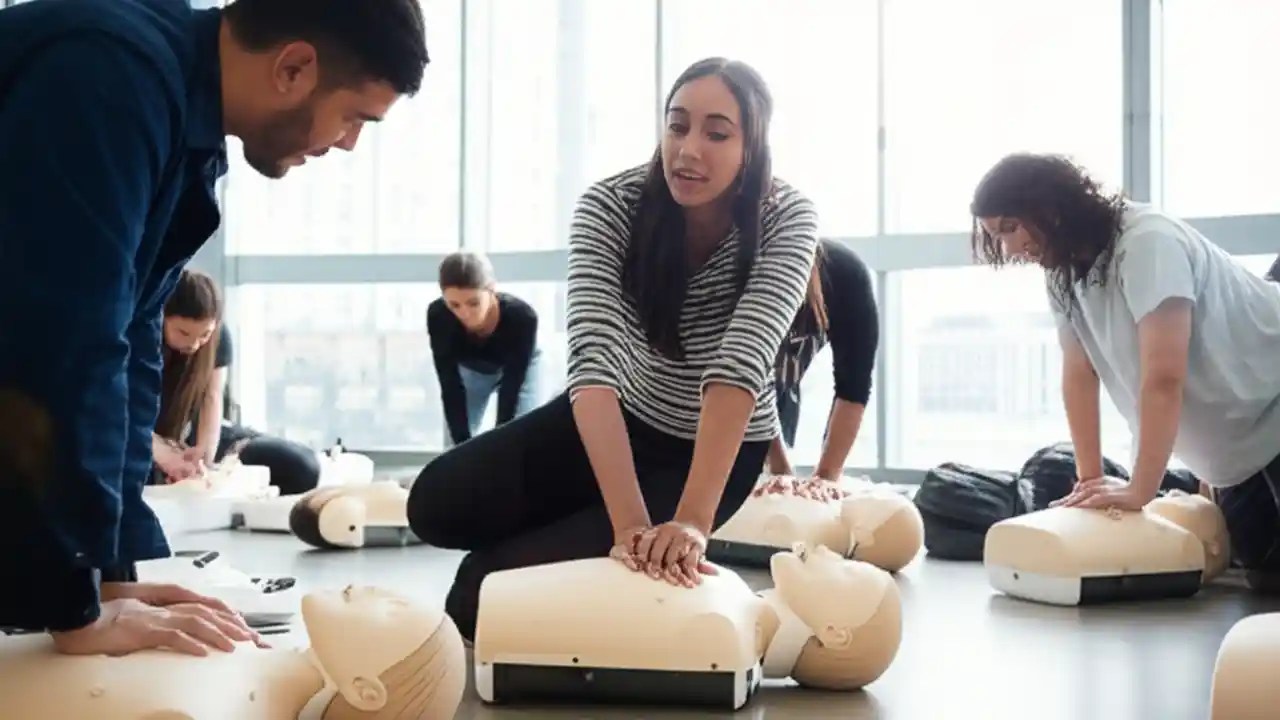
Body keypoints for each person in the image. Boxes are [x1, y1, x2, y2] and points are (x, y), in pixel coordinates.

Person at [0, 0, 429, 656]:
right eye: (354, 118)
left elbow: (130, 334)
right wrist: (72, 607)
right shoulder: (110, 75)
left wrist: (113, 571)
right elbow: (62, 338)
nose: (347, 144)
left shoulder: (176, 110)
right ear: (294, 67)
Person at [407, 57, 820, 641]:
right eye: (677, 126)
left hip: (707, 457)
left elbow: (741, 363)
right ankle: (578, 531)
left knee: (477, 596)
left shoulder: (790, 217)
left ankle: (559, 542)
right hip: (618, 421)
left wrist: (693, 524)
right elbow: (595, 366)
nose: (688, 149)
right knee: (433, 503)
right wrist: (628, 528)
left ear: (751, 147)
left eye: (717, 133)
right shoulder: (610, 206)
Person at [970, 152, 1280, 594]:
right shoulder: (1062, 273)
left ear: (1050, 207)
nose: (1009, 248)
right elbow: (1079, 374)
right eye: (995, 236)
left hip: (1272, 397)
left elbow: (1164, 375)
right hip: (1239, 443)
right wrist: (1089, 480)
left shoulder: (1146, 242)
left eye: (1009, 228)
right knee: (1265, 573)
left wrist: (1140, 489)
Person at [156, 268, 321, 495]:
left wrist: (205, 457)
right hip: (148, 440)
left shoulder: (218, 338)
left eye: (204, 335)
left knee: (302, 465)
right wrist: (162, 453)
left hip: (201, 436)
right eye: (183, 333)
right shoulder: (140, 339)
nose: (194, 344)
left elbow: (212, 398)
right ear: (161, 317)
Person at [766, 238, 879, 482]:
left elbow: (853, 388)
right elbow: (746, 381)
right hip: (720, 397)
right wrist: (779, 470)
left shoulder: (845, 275)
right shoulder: (736, 273)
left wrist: (826, 477)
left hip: (781, 393)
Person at [427, 251, 541, 446]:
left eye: (474, 303)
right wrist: (460, 451)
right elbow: (450, 385)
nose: (464, 313)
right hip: (473, 371)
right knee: (453, 450)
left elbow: (511, 390)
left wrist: (501, 448)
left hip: (521, 370)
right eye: (454, 305)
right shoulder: (439, 317)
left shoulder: (523, 318)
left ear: (491, 290)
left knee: (520, 441)